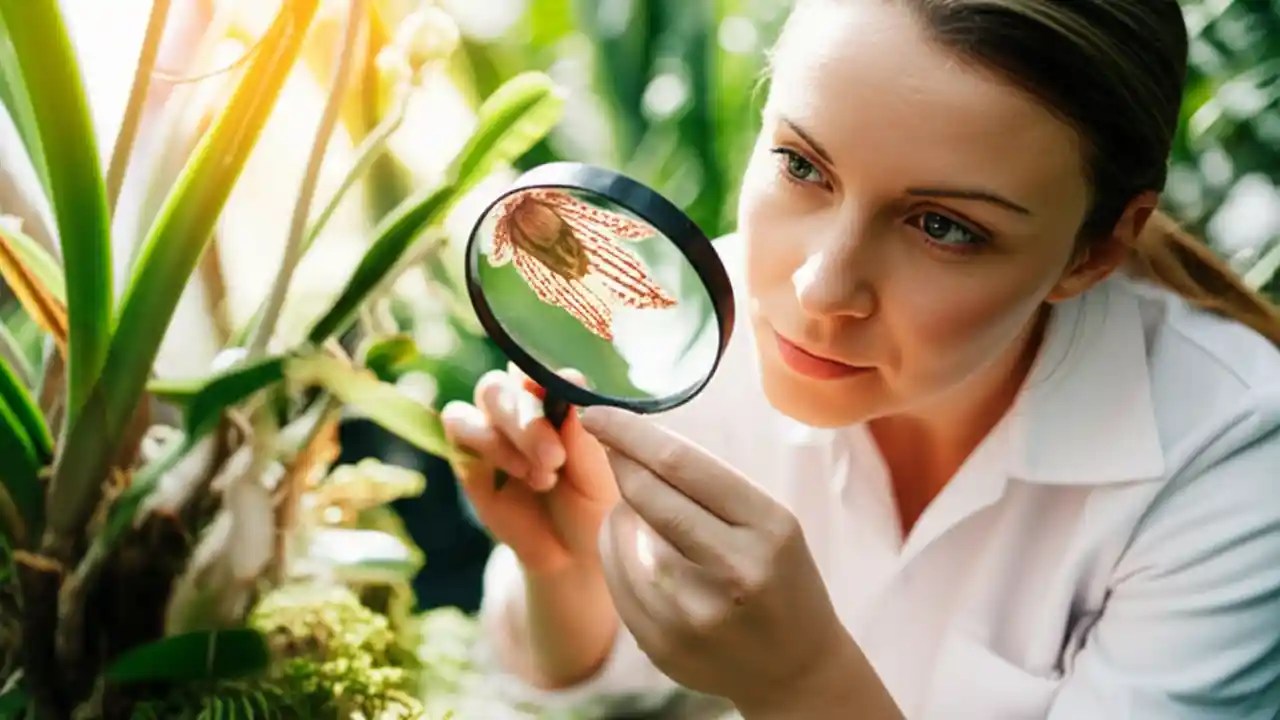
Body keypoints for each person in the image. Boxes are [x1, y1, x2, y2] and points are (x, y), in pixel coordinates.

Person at [441, 1, 1280, 717]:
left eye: (945, 226)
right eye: (801, 165)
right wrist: (563, 567)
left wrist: (803, 685)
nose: (819, 287)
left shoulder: (1230, 462)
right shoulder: (679, 333)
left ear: (1090, 255)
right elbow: (583, 690)